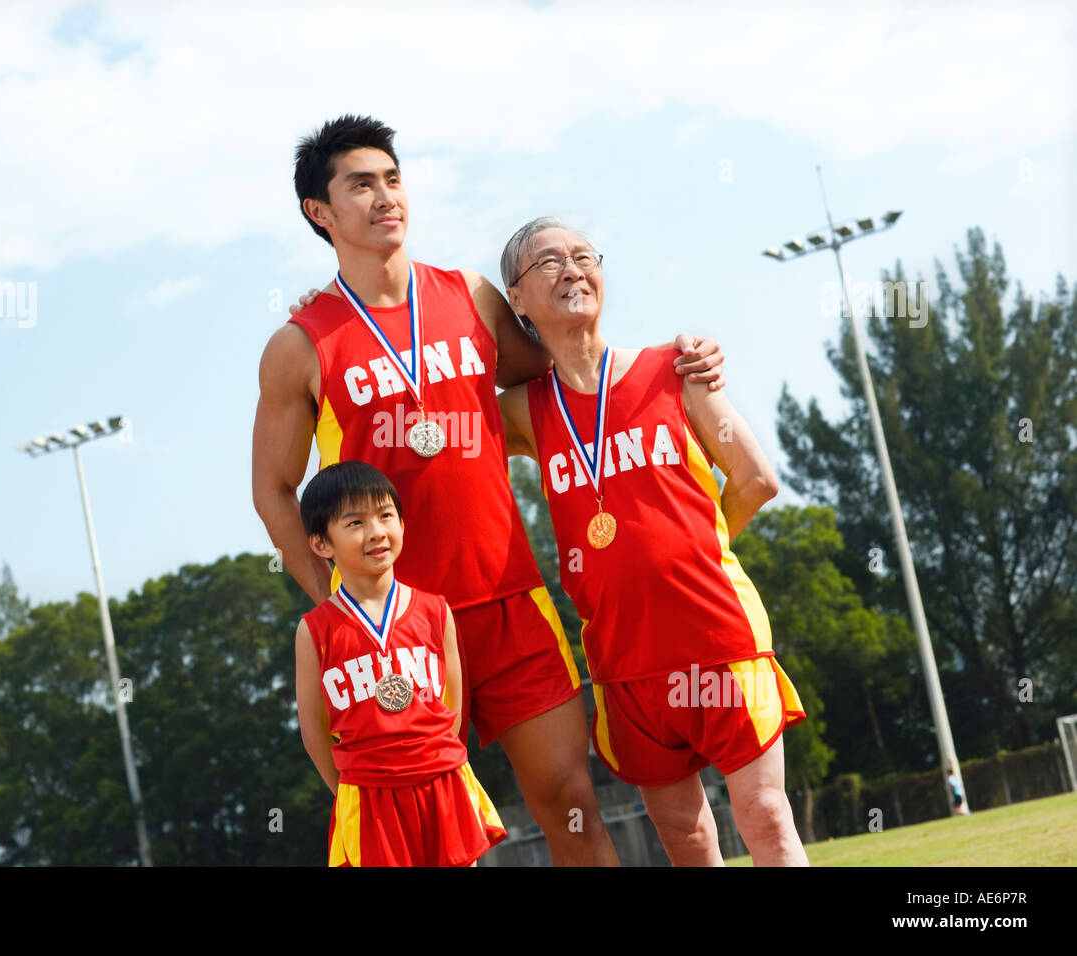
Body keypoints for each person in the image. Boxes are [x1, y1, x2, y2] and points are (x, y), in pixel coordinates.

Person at [254, 114, 726, 865]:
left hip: (509, 596)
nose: (386, 197)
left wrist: (676, 361)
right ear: (321, 211)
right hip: (401, 625)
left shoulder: (469, 295)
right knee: (432, 832)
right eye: (361, 185)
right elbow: (275, 490)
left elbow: (562, 366)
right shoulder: (300, 344)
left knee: (571, 799)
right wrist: (338, 606)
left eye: (394, 178)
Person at [497, 216, 809, 866]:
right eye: (549, 262)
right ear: (516, 298)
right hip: (623, 661)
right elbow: (437, 405)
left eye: (584, 256)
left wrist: (697, 547)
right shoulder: (526, 410)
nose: (573, 269)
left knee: (766, 816)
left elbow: (756, 480)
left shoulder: (675, 368)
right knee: (684, 838)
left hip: (717, 636)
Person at [295, 460, 506, 866]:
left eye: (386, 515)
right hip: (369, 796)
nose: (376, 532)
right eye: (354, 523)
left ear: (402, 524)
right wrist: (348, 790)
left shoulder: (435, 611)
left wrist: (440, 764)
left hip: (444, 784)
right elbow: (314, 731)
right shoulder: (314, 630)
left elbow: (453, 707)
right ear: (322, 544)